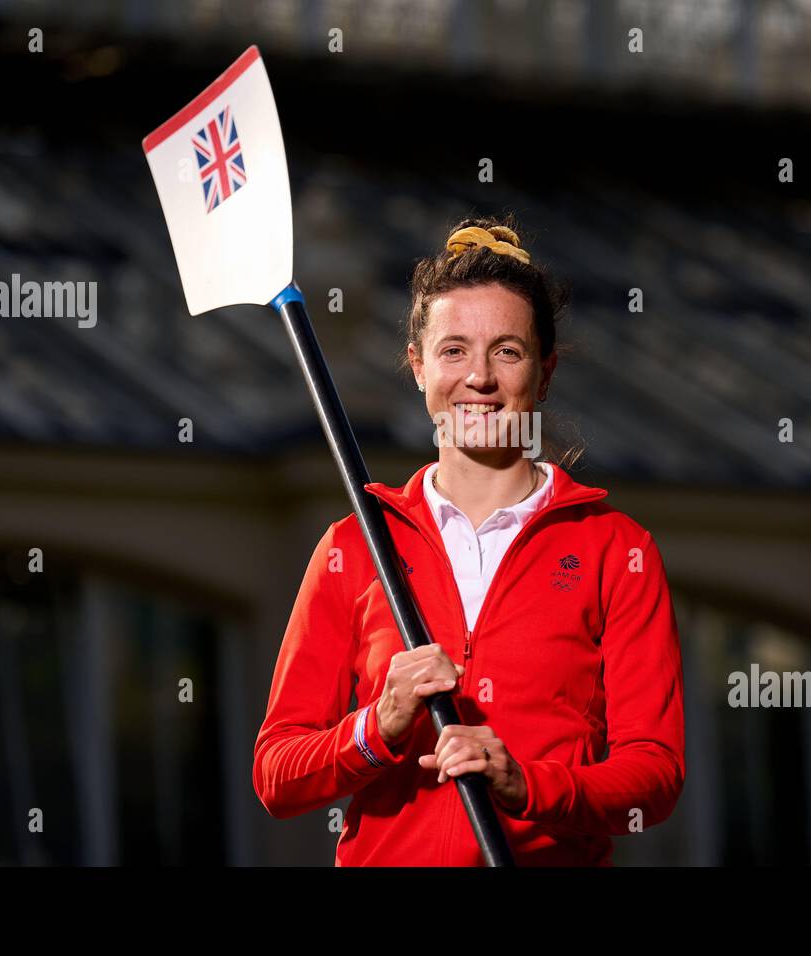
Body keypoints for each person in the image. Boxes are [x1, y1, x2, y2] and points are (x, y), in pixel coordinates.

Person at [252, 215, 685, 865]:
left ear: (544, 372)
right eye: (453, 350)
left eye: (506, 351)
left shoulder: (615, 550)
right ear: (418, 366)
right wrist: (377, 726)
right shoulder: (354, 545)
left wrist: (528, 785)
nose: (478, 377)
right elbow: (277, 776)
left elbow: (654, 775)